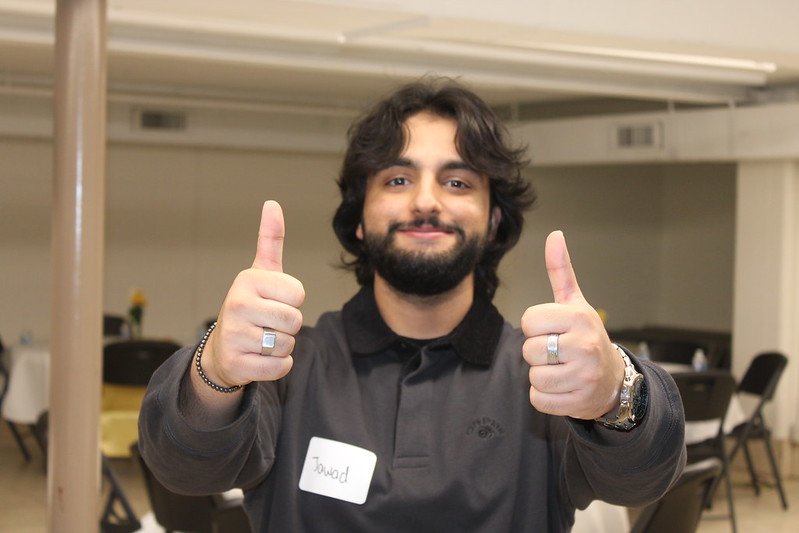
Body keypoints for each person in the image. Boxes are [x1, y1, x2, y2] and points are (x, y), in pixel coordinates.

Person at [139, 78, 686, 532]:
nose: (426, 200)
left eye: (457, 181)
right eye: (398, 179)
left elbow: (645, 477)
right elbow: (182, 470)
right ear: (360, 216)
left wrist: (616, 392)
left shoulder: (546, 377)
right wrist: (214, 372)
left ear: (494, 220)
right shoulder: (286, 368)